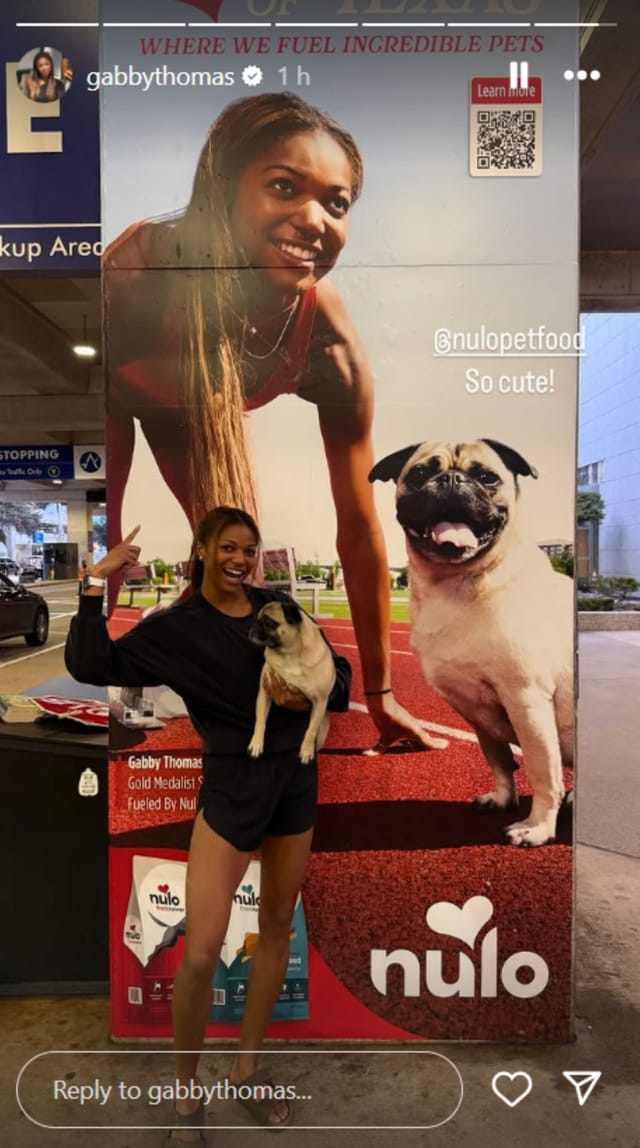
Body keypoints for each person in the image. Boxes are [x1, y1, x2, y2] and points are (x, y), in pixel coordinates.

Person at [104, 91, 445, 753]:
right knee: (113, 549)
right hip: (116, 397)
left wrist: (380, 695)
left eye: (336, 203)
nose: (314, 220)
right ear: (224, 192)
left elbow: (359, 527)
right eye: (284, 187)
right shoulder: (137, 273)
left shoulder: (330, 343)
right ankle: (97, 692)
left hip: (195, 413)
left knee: (234, 565)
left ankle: (164, 672)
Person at [65, 506, 352, 1142]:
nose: (240, 560)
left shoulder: (278, 608)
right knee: (199, 954)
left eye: (249, 549)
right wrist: (94, 581)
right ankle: (186, 1096)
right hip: (231, 789)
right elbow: (92, 664)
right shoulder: (178, 628)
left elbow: (340, 677)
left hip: (294, 785)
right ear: (202, 549)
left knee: (275, 931)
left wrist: (311, 695)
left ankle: (246, 1072)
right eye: (228, 548)